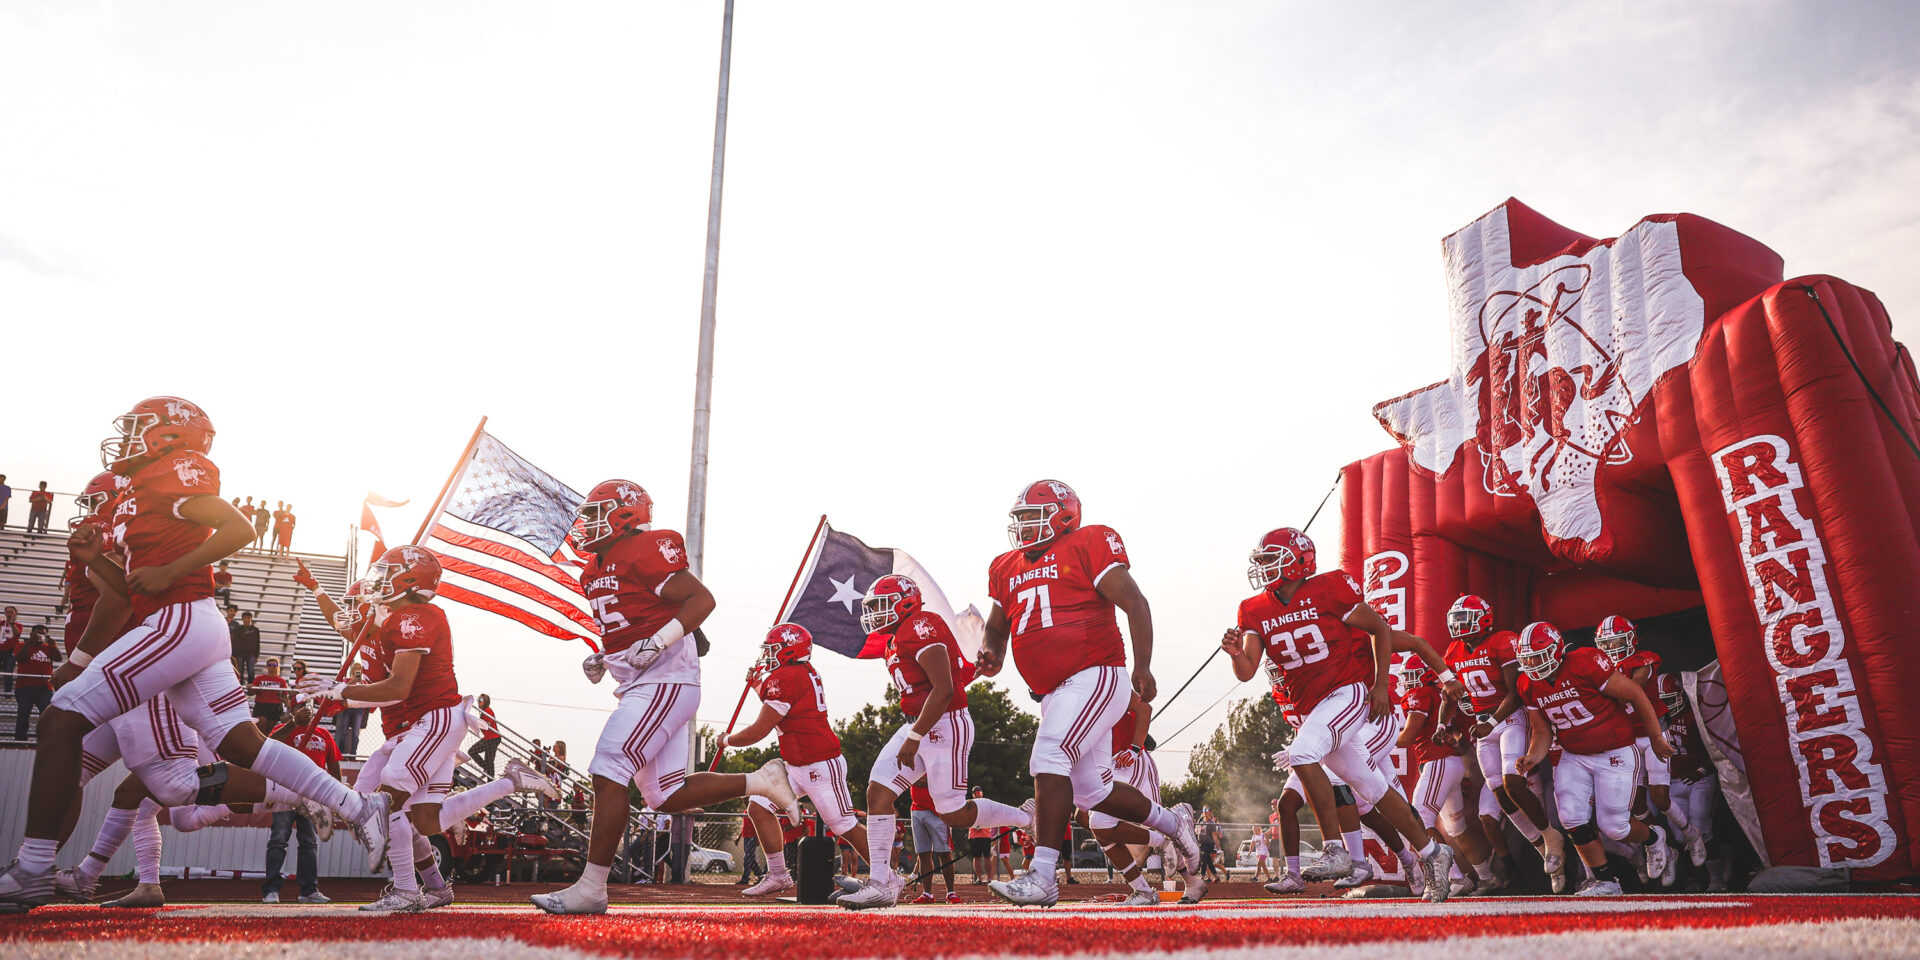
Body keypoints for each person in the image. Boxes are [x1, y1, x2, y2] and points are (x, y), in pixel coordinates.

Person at [2, 400, 391, 912]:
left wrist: (171, 571)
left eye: (137, 429)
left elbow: (238, 528)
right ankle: (359, 806)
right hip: (185, 623)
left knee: (60, 720)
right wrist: (98, 559)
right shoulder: (138, 492)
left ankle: (32, 869)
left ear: (167, 436)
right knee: (242, 745)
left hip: (180, 619)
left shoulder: (173, 472)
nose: (125, 439)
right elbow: (133, 588)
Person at [531, 479, 796, 916]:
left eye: (595, 514)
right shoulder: (594, 568)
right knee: (664, 794)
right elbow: (632, 622)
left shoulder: (646, 547)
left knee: (608, 768)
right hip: (643, 683)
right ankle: (761, 781)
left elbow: (700, 600)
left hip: (666, 680)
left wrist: (660, 641)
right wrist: (605, 657)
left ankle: (591, 888)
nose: (586, 524)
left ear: (624, 515)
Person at [977, 481, 1204, 909]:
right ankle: (1174, 824)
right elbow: (996, 626)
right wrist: (992, 652)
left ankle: (1043, 875)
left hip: (1095, 672)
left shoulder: (1087, 542)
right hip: (1053, 691)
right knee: (1092, 794)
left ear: (1064, 516)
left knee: (1049, 757)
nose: (1024, 526)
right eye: (1020, 518)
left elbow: (1135, 601)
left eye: (1033, 516)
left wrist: (1142, 665)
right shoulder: (1005, 566)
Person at [1222, 526, 1465, 902]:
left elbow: (1380, 628)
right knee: (1371, 788)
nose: (1265, 567)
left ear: (1298, 560)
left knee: (1304, 753)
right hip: (1314, 707)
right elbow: (1246, 671)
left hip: (1347, 692)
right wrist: (1237, 653)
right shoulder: (1253, 608)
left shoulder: (1330, 587)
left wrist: (1380, 685)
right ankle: (1433, 853)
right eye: (1263, 560)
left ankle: (1335, 849)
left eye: (1271, 559)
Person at [837, 573, 1033, 911]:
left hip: (945, 724)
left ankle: (1027, 818)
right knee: (878, 793)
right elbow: (946, 677)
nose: (875, 613)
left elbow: (943, 689)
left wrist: (915, 737)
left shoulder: (919, 626)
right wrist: (973, 671)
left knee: (952, 812)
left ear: (905, 603)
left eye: (882, 605)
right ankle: (882, 883)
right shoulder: (896, 637)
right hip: (917, 721)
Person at [1513, 621, 1675, 896]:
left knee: (1615, 827)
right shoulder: (1527, 683)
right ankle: (1606, 881)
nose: (1533, 665)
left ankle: (1654, 837)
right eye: (1527, 659)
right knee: (1571, 818)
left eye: (1538, 657)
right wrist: (1532, 756)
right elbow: (1541, 730)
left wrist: (1656, 737)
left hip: (1614, 750)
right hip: (1574, 754)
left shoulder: (1585, 662)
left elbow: (1635, 693)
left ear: (1556, 651)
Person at [723, 623, 872, 897]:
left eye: (773, 649)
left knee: (844, 826)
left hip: (819, 763)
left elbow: (759, 730)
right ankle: (778, 874)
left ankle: (886, 878)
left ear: (789, 650)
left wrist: (727, 740)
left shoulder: (787, 676)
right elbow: (778, 700)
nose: (768, 655)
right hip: (796, 764)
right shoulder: (795, 673)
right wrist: (757, 685)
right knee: (758, 806)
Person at [1436, 594, 1567, 892]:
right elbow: (1449, 695)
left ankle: (1550, 836)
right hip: (1484, 726)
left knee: (1512, 783)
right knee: (1500, 793)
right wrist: (1442, 725)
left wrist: (1492, 722)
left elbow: (1516, 691)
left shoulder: (1502, 641)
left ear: (1484, 619)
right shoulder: (1454, 650)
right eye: (1456, 619)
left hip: (1509, 719)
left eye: (1465, 618)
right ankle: (1541, 847)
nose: (1459, 625)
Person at [1596, 615, 1704, 876]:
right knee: (1635, 805)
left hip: (1654, 732)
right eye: (1605, 644)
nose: (1610, 649)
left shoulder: (1644, 660)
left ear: (1630, 640)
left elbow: (1633, 688)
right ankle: (1662, 847)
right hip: (1627, 740)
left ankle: (1691, 834)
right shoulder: (1599, 669)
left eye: (1615, 642)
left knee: (1660, 797)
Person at [1397, 658, 1497, 895]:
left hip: (1437, 762)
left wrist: (1379, 738)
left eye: (1412, 675)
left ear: (1426, 675)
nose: (1408, 681)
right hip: (1448, 763)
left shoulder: (1422, 694)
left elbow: (1409, 734)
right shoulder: (1439, 695)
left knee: (1418, 820)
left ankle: (1455, 877)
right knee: (1456, 828)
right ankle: (1487, 877)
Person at [262, 699, 342, 904]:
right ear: (293, 709)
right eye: (301, 706)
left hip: (313, 795)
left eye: (309, 706)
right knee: (279, 839)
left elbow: (333, 765)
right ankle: (271, 890)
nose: (306, 710)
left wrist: (337, 795)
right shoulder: (283, 728)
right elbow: (268, 747)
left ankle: (308, 890)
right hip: (285, 791)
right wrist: (293, 723)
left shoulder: (324, 733)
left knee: (309, 842)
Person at [908, 784, 959, 903]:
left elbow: (921, 779)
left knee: (945, 853)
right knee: (923, 854)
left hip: (938, 810)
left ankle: (951, 892)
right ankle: (927, 893)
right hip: (916, 809)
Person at [10, 625, 60, 739]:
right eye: (37, 633)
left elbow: (58, 658)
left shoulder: (48, 647)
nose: (40, 636)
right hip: (24, 686)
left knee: (46, 715)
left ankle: (45, 739)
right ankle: (20, 740)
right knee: (23, 714)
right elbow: (19, 658)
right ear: (31, 634)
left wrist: (54, 645)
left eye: (43, 634)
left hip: (44, 687)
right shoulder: (22, 645)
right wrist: (29, 643)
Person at [332, 664, 369, 757]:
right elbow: (342, 689)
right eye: (355, 668)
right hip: (347, 707)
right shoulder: (347, 680)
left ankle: (353, 753)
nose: (357, 670)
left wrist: (360, 682)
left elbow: (367, 692)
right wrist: (353, 681)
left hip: (358, 709)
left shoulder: (364, 682)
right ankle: (342, 753)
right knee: (343, 730)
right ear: (352, 670)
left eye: (358, 668)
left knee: (356, 732)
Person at [251, 658, 290, 728]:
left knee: (270, 728)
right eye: (269, 665)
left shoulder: (281, 680)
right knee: (261, 725)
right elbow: (251, 693)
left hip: (274, 706)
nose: (272, 667)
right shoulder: (259, 678)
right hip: (261, 705)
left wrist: (289, 707)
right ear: (267, 666)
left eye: (274, 665)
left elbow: (284, 696)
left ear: (277, 667)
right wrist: (250, 688)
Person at [967, 789, 995, 882]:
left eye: (979, 792)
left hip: (985, 836)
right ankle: (979, 878)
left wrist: (982, 825)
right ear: (973, 795)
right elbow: (967, 818)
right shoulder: (969, 804)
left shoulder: (986, 804)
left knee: (987, 857)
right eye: (975, 793)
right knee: (976, 858)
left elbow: (990, 817)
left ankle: (989, 878)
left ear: (982, 793)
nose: (977, 794)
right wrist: (975, 825)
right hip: (974, 836)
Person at [470, 693, 502, 776]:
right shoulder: (483, 711)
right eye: (478, 699)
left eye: (481, 700)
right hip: (488, 738)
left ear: (486, 701)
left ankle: (490, 779)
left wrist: (475, 723)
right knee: (472, 751)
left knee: (489, 760)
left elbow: (487, 724)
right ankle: (486, 769)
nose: (478, 701)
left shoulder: (487, 710)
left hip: (493, 739)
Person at [230, 611, 261, 689]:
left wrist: (256, 655)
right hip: (240, 653)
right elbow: (235, 642)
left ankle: (251, 687)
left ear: (251, 619)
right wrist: (234, 654)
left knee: (251, 670)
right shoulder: (238, 629)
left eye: (248, 618)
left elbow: (257, 643)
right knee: (239, 670)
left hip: (251, 654)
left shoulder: (255, 630)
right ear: (242, 619)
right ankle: (240, 686)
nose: (247, 620)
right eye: (245, 618)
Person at [0, 606, 21, 695]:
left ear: (15, 614)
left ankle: (7, 693)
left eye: (11, 612)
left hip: (9, 651)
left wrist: (12, 624)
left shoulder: (18, 625)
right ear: (5, 613)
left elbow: (17, 633)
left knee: (8, 671)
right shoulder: (1, 623)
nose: (9, 614)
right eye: (7, 612)